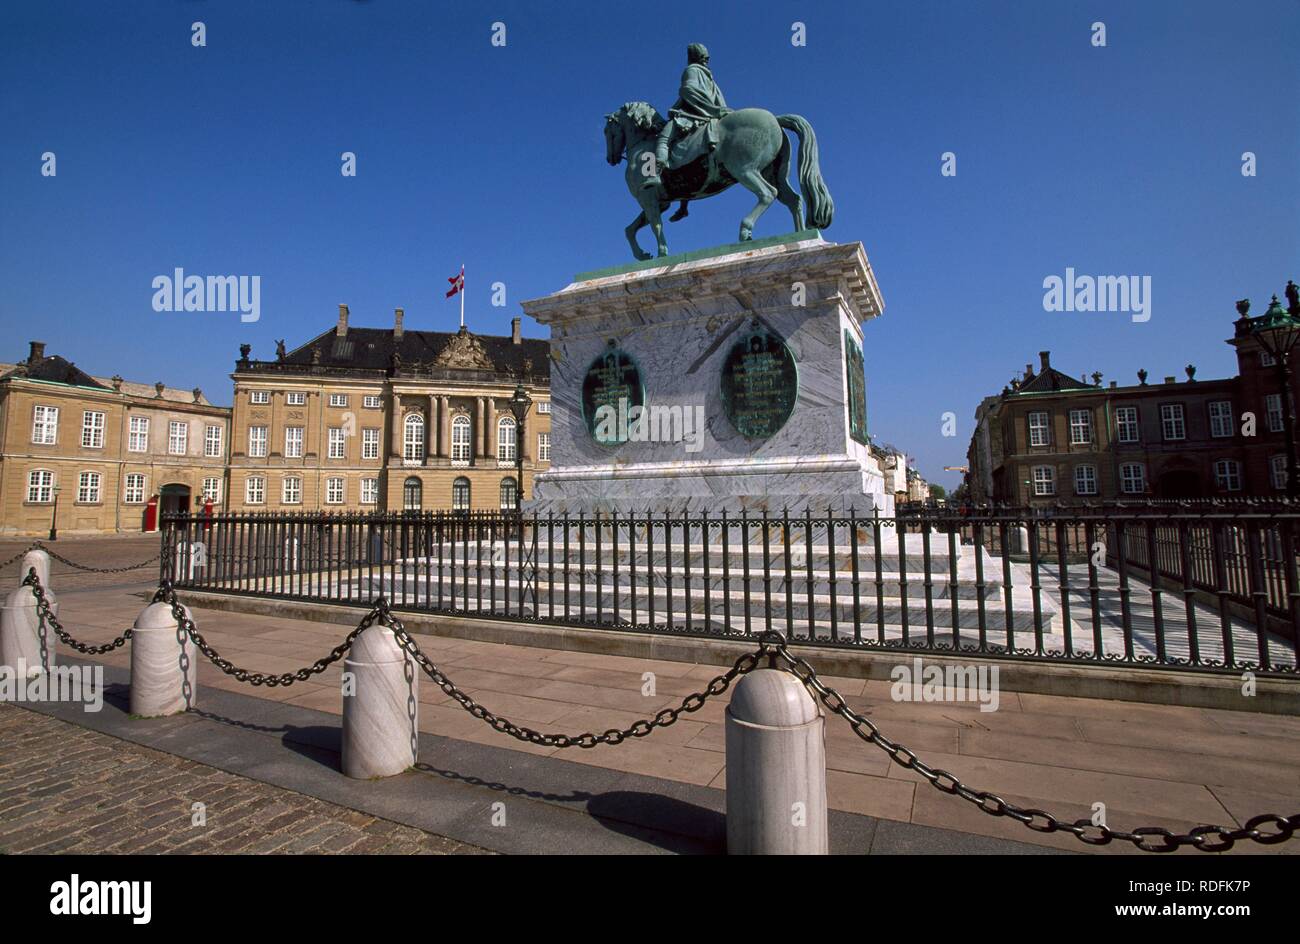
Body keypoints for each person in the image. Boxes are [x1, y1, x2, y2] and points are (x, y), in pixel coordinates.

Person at [642, 43, 730, 201]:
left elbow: (687, 91)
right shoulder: (709, 77)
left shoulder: (691, 70)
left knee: (662, 139)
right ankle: (683, 203)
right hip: (709, 113)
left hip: (692, 116)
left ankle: (654, 174)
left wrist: (676, 108)